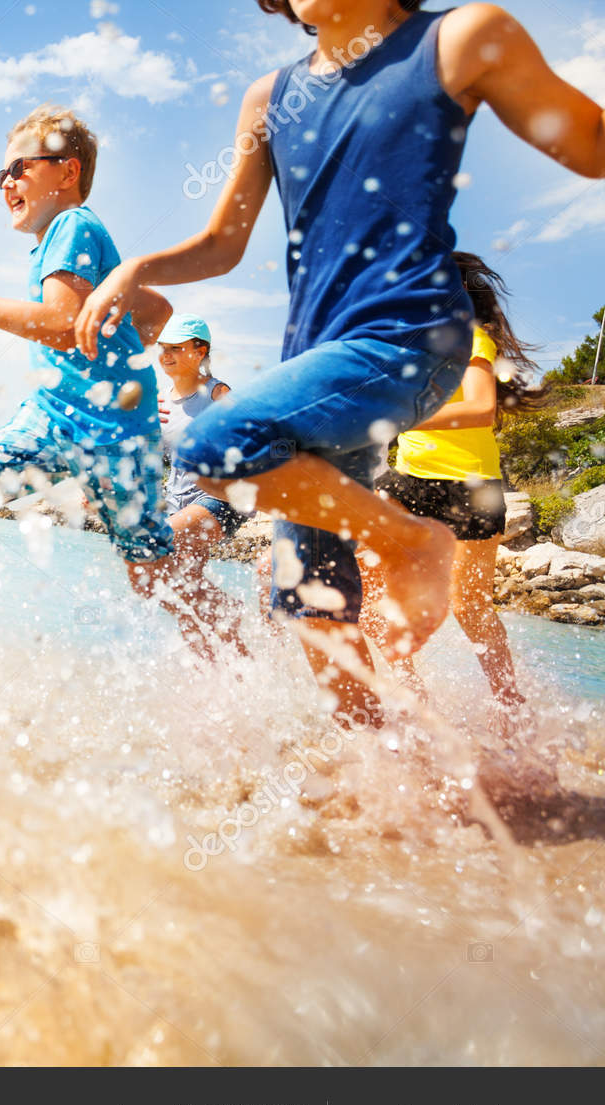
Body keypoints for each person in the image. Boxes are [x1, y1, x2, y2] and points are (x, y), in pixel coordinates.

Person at [74, 0, 605, 727]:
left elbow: (591, 145)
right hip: (320, 362)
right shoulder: (270, 98)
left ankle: (414, 541)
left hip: (409, 336)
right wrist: (138, 266)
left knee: (213, 445)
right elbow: (223, 242)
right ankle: (394, 783)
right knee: (314, 606)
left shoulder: (456, 40)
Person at [0, 105, 245, 704]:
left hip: (109, 432)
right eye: (0, 175)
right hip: (72, 418)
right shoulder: (63, 243)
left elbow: (62, 324)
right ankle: (234, 654)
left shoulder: (72, 226)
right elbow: (157, 313)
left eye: (19, 167)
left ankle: (234, 653)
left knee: (144, 572)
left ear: (66, 172)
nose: (6, 182)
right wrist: (118, 345)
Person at [361, 252, 545, 714]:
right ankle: (411, 693)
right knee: (362, 582)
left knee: (471, 609)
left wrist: (408, 415)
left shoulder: (473, 339)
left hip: (470, 488)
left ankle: (511, 708)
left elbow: (481, 408)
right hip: (408, 480)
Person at [155, 314, 252, 562]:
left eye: (175, 348)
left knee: (155, 547)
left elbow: (251, 439)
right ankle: (240, 605)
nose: (166, 355)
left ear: (200, 353)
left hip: (219, 497)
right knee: (186, 588)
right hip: (175, 498)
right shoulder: (159, 400)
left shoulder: (218, 394)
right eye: (163, 348)